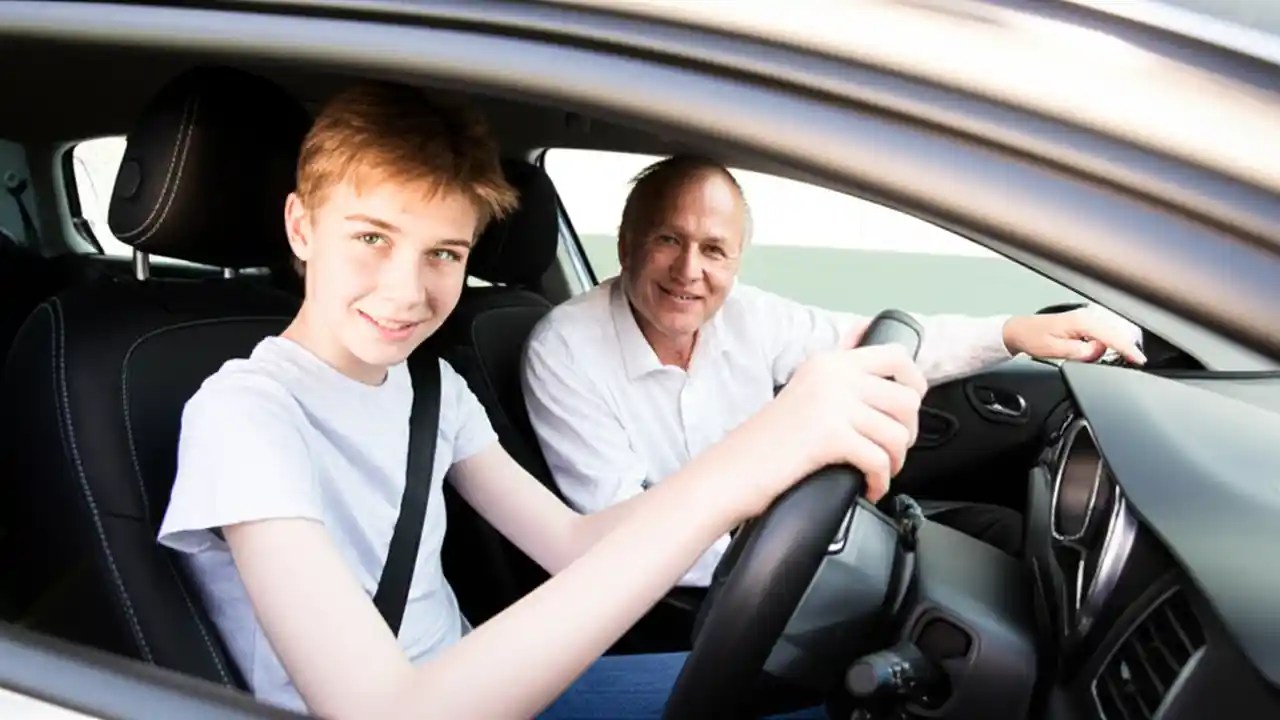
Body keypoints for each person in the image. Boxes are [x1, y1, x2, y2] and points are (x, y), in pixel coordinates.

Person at [157, 83, 928, 720]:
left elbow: (573, 544)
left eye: (444, 253)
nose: (406, 290)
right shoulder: (244, 416)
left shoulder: (431, 385)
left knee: (836, 693)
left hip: (486, 686)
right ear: (301, 226)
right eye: (371, 238)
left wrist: (753, 480)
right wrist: (746, 464)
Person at [522, 155, 1144, 583]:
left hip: (789, 539)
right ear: (627, 240)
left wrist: (1016, 332)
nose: (690, 271)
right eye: (667, 240)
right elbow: (621, 541)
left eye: (714, 250)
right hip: (691, 593)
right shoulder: (566, 349)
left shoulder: (745, 316)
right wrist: (819, 564)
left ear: (736, 262)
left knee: (1003, 536)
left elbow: (868, 344)